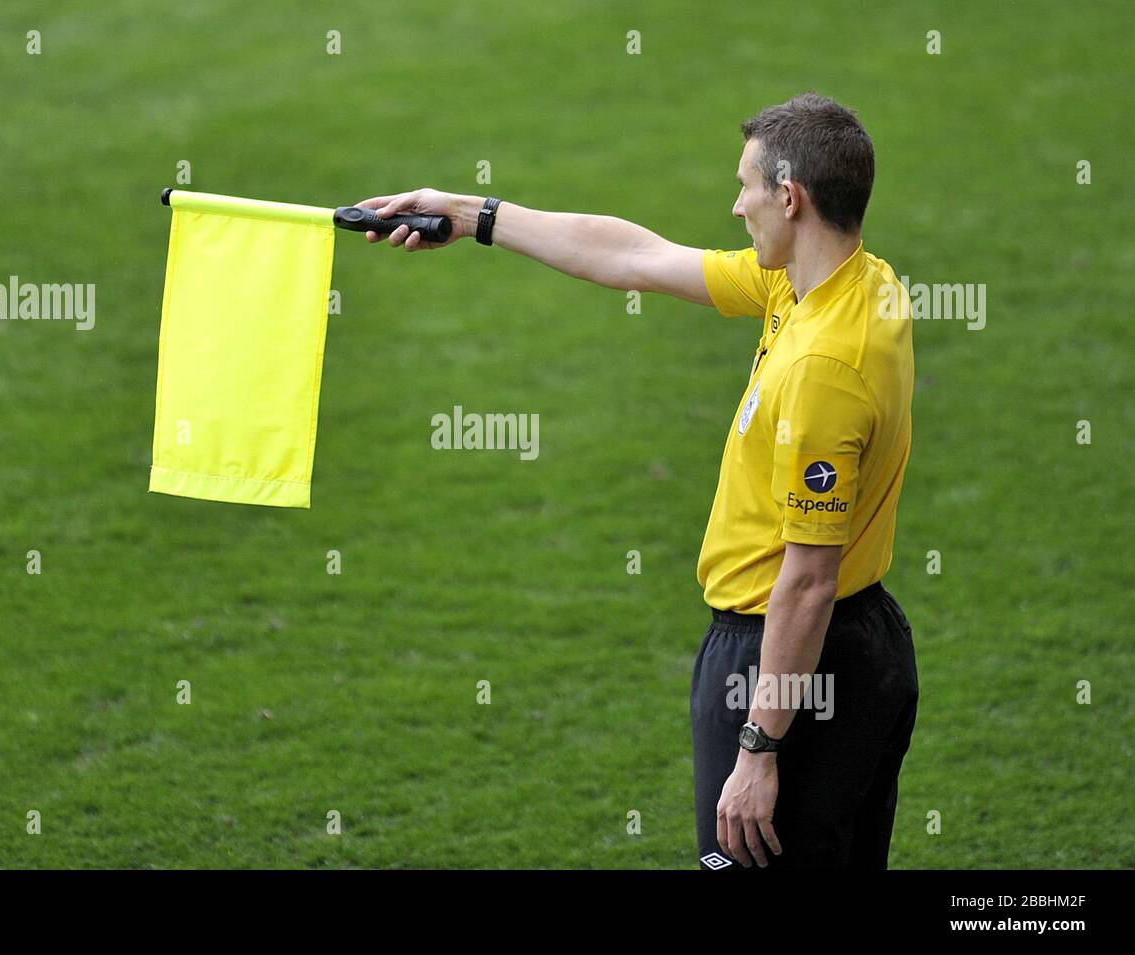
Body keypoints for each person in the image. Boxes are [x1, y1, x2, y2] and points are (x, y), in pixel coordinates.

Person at [355, 92, 919, 870]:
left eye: (747, 187)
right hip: (864, 644)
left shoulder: (824, 365)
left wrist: (758, 748)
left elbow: (808, 581)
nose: (735, 204)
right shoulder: (850, 283)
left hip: (784, 661)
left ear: (789, 198)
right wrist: (471, 213)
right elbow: (638, 257)